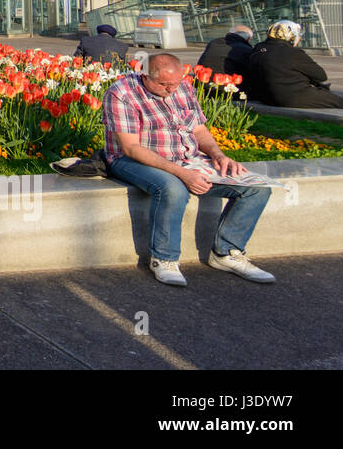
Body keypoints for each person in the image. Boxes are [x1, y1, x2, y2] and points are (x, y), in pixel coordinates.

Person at [103, 52, 275, 287]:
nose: (170, 90)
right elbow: (131, 147)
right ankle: (164, 259)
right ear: (145, 75)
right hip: (132, 160)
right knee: (173, 189)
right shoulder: (122, 93)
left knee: (256, 188)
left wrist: (218, 155)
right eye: (163, 84)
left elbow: (199, 130)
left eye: (174, 83)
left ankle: (226, 253)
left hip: (187, 157)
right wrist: (182, 173)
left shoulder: (182, 87)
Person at [244, 20, 343, 109]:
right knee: (338, 101)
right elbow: (321, 75)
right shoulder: (292, 52)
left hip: (266, 97)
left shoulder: (257, 49)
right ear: (292, 37)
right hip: (292, 96)